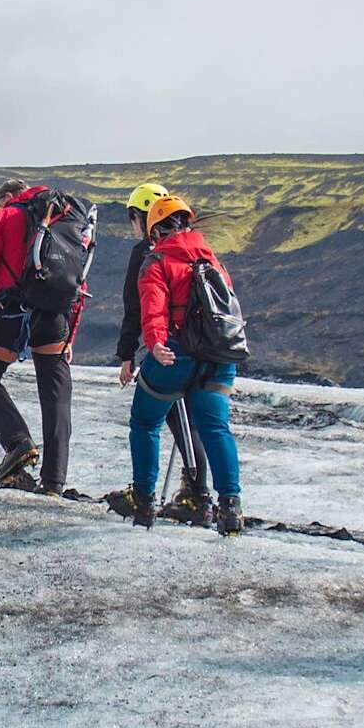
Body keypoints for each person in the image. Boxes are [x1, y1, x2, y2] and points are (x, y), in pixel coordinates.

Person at [125, 194, 243, 534]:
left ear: (155, 231)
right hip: (218, 357)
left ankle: (144, 500)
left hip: (175, 353)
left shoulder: (157, 260)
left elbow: (153, 307)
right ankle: (230, 508)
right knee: (215, 427)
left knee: (145, 422)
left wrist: (155, 343)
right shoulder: (212, 260)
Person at [0, 179, 80, 492]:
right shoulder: (63, 218)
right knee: (55, 394)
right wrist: (72, 331)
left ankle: (18, 442)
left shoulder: (1, 218)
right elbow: (75, 278)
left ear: (5, 197)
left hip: (14, 313)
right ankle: (54, 481)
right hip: (55, 316)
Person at [114, 182, 212, 523]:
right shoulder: (190, 247)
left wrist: (127, 353)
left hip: (169, 349)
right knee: (186, 419)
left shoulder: (148, 252)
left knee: (172, 418)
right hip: (199, 346)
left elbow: (134, 306)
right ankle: (195, 491)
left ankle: (195, 496)